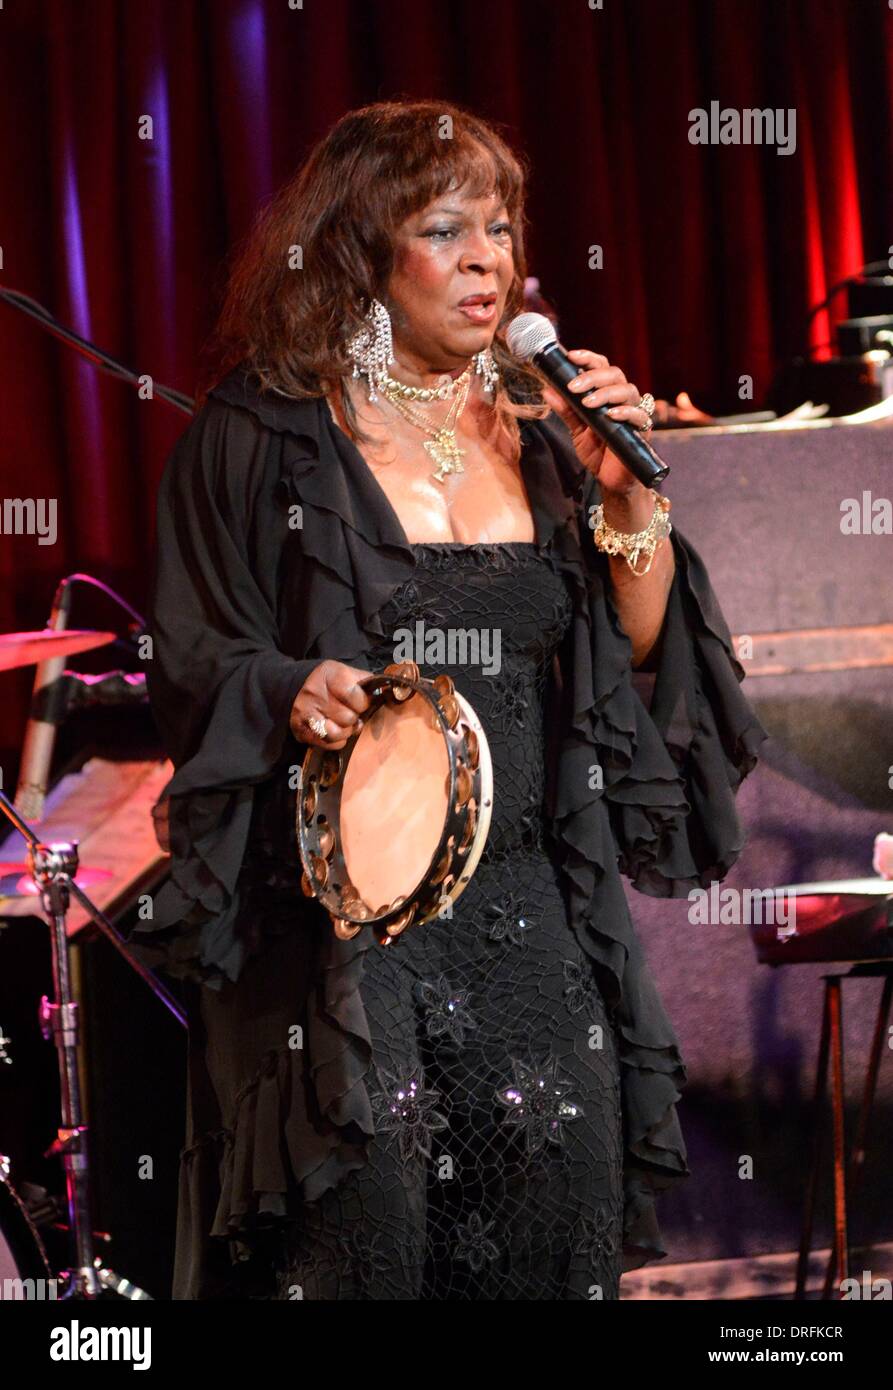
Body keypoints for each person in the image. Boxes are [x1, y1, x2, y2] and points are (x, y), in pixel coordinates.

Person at [135, 100, 767, 1301]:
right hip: (347, 935)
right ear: (363, 252)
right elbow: (191, 658)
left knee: (550, 1248)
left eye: (499, 226)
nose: (488, 258)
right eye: (444, 228)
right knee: (366, 1255)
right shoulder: (259, 435)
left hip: (533, 917)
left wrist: (627, 507)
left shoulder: (541, 423)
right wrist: (287, 686)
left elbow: (632, 651)